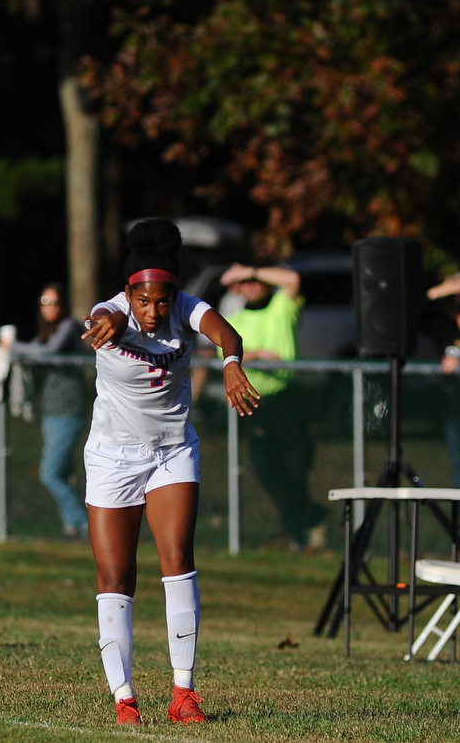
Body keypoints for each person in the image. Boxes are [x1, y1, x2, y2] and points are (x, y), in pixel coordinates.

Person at [81, 218, 259, 727]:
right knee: (117, 576)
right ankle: (124, 698)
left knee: (177, 559)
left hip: (171, 452)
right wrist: (109, 319)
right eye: (143, 301)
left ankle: (184, 693)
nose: (154, 311)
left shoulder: (184, 307)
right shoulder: (112, 312)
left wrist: (230, 362)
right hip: (112, 457)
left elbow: (227, 331)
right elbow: (99, 316)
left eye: (162, 300)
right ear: (128, 294)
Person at [217, 260, 327, 550]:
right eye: (246, 283)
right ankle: (308, 518)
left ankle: (296, 531)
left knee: (295, 465)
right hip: (255, 403)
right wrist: (256, 355)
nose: (252, 286)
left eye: (256, 280)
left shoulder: (280, 306)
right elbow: (225, 352)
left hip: (287, 398)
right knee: (266, 468)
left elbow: (292, 279)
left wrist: (249, 271)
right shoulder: (235, 320)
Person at [2, 283, 89, 539]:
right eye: (45, 301)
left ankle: (84, 523)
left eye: (56, 302)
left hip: (69, 411)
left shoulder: (69, 327)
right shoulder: (48, 332)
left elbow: (47, 353)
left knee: (49, 474)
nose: (50, 307)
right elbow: (36, 349)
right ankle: (71, 527)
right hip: (51, 411)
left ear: (65, 305)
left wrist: (12, 346)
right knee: (63, 473)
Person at [427, 271, 460, 550]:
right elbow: (411, 312)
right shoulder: (444, 326)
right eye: (455, 294)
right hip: (458, 415)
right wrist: (442, 288)